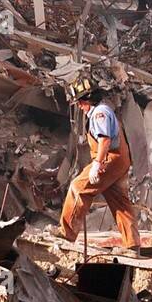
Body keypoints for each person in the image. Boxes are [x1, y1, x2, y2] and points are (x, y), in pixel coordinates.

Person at [59, 80, 139, 250]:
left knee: (78, 188)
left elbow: (104, 140)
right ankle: (132, 245)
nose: (79, 106)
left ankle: (66, 234)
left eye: (80, 102)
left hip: (110, 159)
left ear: (88, 99)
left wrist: (97, 164)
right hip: (120, 161)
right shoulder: (104, 110)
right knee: (120, 202)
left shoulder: (99, 113)